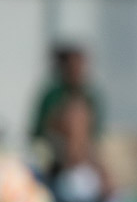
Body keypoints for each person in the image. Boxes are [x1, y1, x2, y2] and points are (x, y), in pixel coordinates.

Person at [28, 45, 104, 175]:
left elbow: (95, 137)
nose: (78, 70)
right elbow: (38, 132)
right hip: (55, 158)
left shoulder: (90, 97)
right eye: (73, 65)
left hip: (83, 162)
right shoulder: (53, 95)